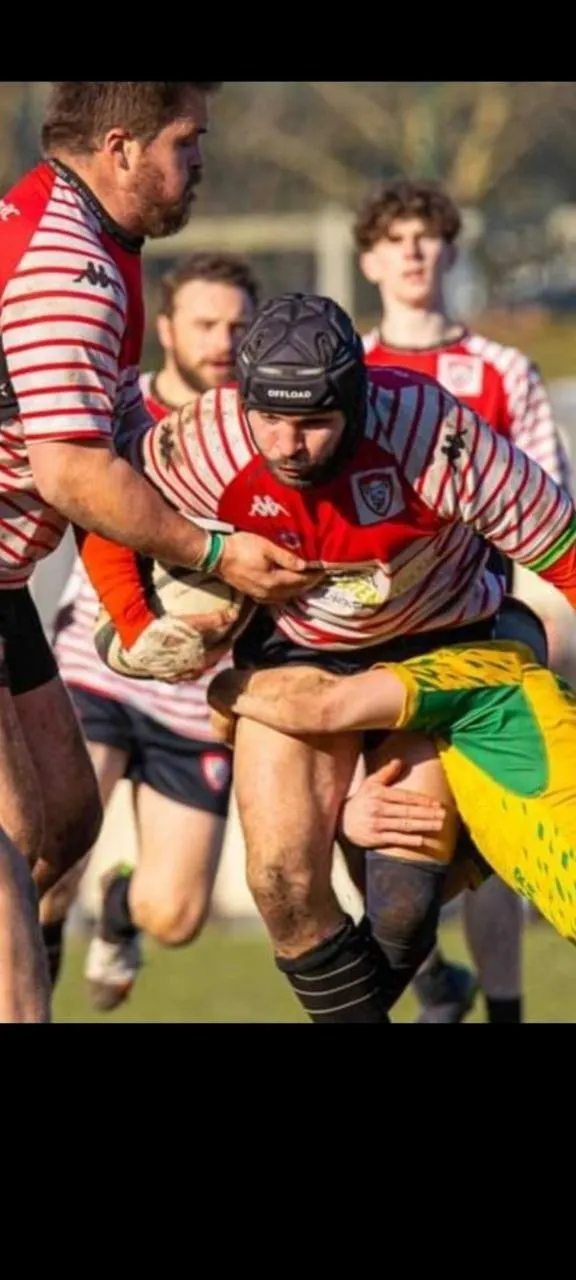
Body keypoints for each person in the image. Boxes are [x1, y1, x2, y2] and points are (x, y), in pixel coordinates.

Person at [74, 291, 576, 1026]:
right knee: (281, 883)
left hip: (432, 650)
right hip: (293, 653)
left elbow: (562, 546)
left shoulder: (432, 434)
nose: (285, 443)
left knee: (402, 903)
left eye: (312, 422)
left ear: (357, 400)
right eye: (268, 417)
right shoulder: (210, 437)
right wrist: (133, 618)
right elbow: (107, 508)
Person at [0, 84, 320, 1023]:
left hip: (6, 576)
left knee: (63, 818)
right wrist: (215, 553)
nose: (201, 161)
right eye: (188, 142)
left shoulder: (98, 241)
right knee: (7, 864)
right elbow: (73, 472)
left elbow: (122, 427)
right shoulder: (67, 267)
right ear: (120, 148)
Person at [353, 176, 574, 1023]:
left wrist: (543, 625)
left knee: (496, 832)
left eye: (427, 235)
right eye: (395, 237)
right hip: (370, 639)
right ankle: (434, 980)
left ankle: (505, 1010)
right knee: (378, 832)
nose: (412, 250)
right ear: (370, 257)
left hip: (483, 628)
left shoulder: (503, 371)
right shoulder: (349, 373)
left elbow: (543, 509)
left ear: (451, 251)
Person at [40, 251, 261, 1008]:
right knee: (49, 860)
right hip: (96, 666)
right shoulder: (117, 410)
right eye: (205, 323)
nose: (221, 341)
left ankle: (121, 908)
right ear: (166, 327)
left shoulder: (272, 435)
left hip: (195, 700)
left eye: (238, 325)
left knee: (176, 917)